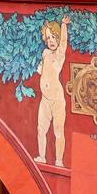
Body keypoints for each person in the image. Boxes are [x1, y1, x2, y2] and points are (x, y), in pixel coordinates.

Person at [35, 16, 70, 166]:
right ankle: (42, 156)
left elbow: (63, 42)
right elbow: (43, 69)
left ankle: (59, 160)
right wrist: (40, 69)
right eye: (48, 37)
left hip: (57, 99)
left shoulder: (59, 54)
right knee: (41, 129)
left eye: (54, 37)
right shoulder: (45, 53)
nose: (51, 41)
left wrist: (63, 25)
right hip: (45, 99)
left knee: (58, 131)